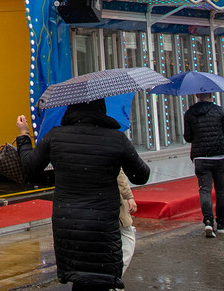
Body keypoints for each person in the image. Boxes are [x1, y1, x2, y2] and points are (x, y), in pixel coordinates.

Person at [16, 100, 150, 291]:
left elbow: (30, 167)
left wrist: (24, 134)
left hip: (69, 224)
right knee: (100, 278)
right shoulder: (116, 139)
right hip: (102, 224)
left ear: (71, 110)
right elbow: (141, 175)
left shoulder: (56, 136)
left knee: (79, 277)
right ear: (102, 110)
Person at [183, 92, 224, 237]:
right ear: (211, 94)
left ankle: (208, 222)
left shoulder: (190, 113)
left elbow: (188, 137)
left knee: (205, 190)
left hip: (201, 157)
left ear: (197, 95)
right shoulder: (220, 111)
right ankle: (222, 223)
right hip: (219, 157)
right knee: (221, 191)